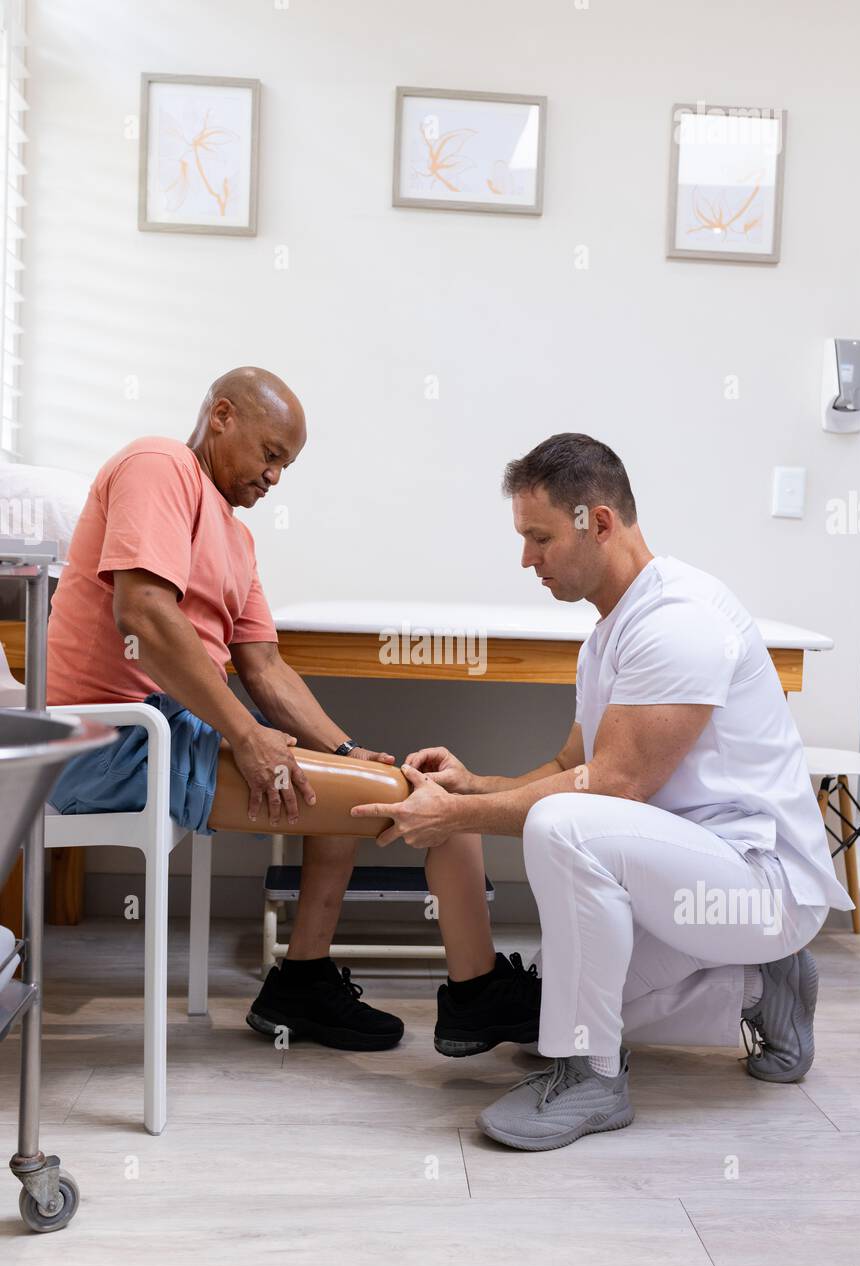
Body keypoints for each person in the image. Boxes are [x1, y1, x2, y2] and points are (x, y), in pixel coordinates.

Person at [352, 432, 854, 1151]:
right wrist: (475, 784)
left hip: (758, 882)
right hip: (694, 874)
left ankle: (590, 1081)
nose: (526, 558)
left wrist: (455, 815)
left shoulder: (680, 620)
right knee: (553, 1005)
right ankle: (760, 988)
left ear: (599, 523)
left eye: (539, 537)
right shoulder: (608, 633)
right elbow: (572, 763)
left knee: (564, 830)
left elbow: (613, 786)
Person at [46, 367, 542, 1055]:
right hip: (110, 739)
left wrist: (342, 751)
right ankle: (477, 998)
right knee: (429, 803)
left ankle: (300, 983)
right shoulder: (158, 465)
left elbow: (265, 666)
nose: (274, 476)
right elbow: (145, 615)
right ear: (221, 415)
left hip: (165, 730)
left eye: (286, 465)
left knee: (334, 792)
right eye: (270, 454)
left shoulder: (237, 540)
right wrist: (245, 735)